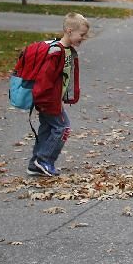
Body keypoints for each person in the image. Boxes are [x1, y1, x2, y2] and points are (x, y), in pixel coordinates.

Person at [27, 12, 89, 177]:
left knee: (47, 129)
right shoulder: (56, 52)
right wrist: (42, 99)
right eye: (81, 35)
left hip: (52, 100)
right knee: (63, 127)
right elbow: (44, 79)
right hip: (47, 100)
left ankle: (35, 164)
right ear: (69, 31)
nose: (83, 38)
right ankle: (44, 160)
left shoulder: (67, 51)